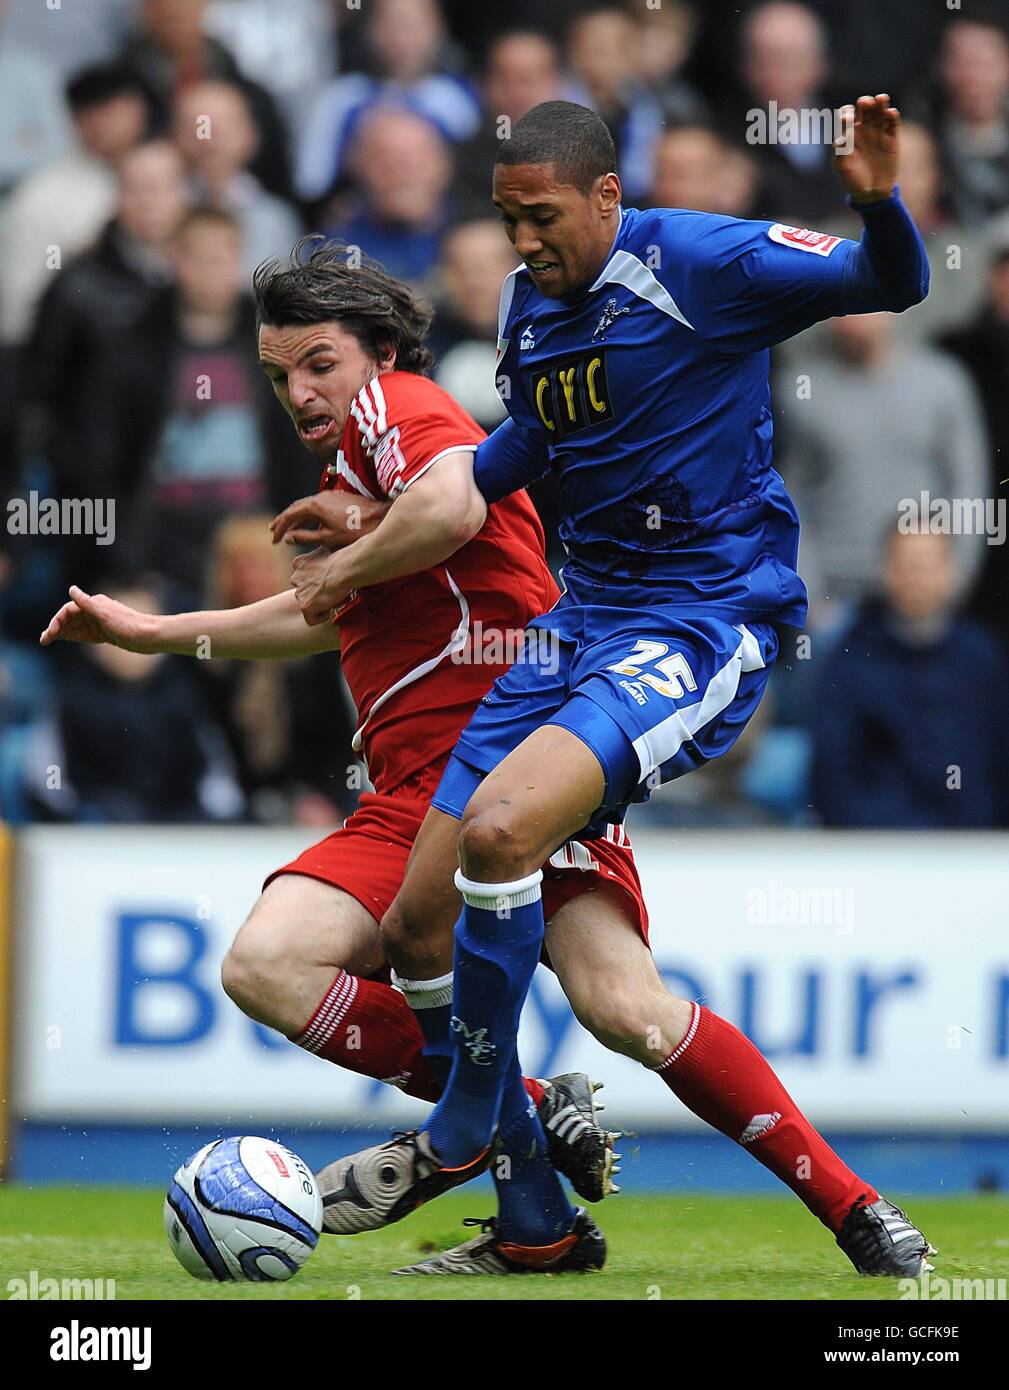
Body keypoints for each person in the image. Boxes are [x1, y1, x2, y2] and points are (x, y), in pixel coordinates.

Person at [302, 96, 936, 1278]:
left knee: (498, 831)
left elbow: (891, 284)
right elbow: (529, 449)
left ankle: (462, 1129)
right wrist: (384, 515)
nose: (520, 241)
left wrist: (872, 195)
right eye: (503, 219)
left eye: (539, 217)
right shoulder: (523, 304)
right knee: (420, 924)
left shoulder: (701, 259)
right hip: (570, 626)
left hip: (700, 622)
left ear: (607, 197)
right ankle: (556, 1219)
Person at [811, 528, 1009, 828]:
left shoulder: (982, 657)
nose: (915, 576)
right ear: (885, 571)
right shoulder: (851, 660)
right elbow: (833, 776)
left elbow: (998, 758)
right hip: (883, 853)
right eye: (905, 563)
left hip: (977, 852)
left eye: (928, 563)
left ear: (952, 571)